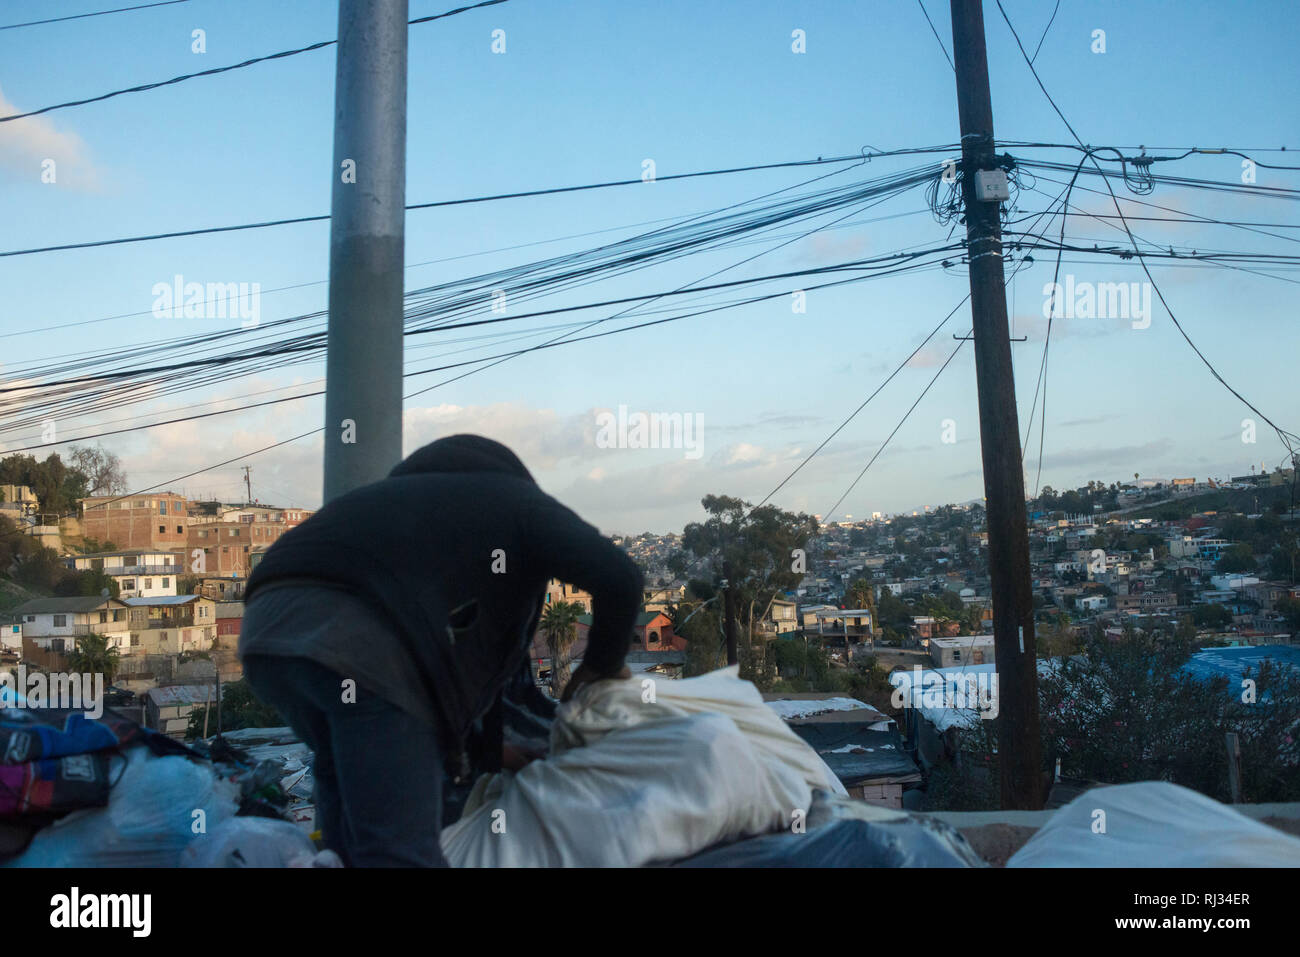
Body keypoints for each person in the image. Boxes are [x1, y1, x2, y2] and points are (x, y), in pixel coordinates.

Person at [238, 434, 643, 866]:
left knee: (344, 777)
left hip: (266, 636)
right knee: (399, 852)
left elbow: (459, 670)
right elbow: (620, 577)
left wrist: (490, 753)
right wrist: (601, 666)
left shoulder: (384, 500)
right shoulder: (514, 499)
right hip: (356, 649)